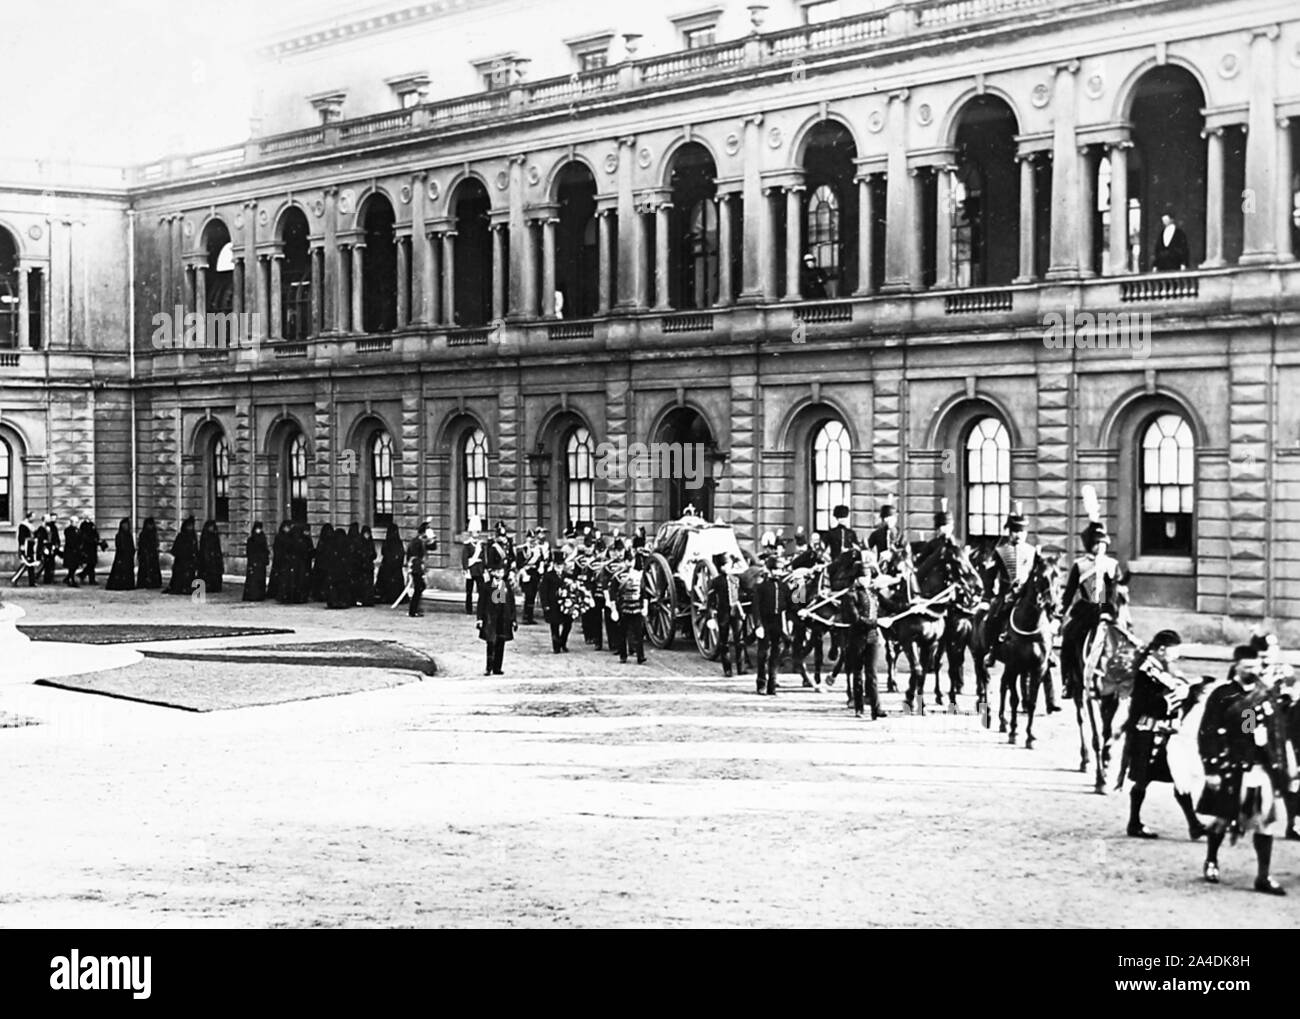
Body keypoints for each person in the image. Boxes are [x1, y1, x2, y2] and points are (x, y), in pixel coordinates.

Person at [1198, 641, 1295, 894]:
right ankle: (1211, 860)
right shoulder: (1223, 695)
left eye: (1255, 666)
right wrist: (1211, 770)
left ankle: (1263, 876)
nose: (1252, 671)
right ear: (1236, 666)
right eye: (1247, 667)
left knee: (1264, 821)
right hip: (1231, 767)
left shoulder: (1264, 693)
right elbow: (1208, 733)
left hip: (1258, 768)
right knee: (1222, 819)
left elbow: (1255, 729)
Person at [1121, 629, 1205, 840]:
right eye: (1173, 651)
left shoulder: (1166, 669)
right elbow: (1143, 703)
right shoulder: (1147, 671)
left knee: (1179, 776)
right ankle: (1135, 822)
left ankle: (1196, 824)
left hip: (1166, 731)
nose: (1176, 655)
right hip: (1150, 732)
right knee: (1147, 778)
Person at [1059, 517, 1120, 701]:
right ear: (1090, 546)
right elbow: (1069, 593)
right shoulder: (1080, 565)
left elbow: (1116, 592)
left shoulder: (1112, 565)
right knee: (1069, 637)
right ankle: (1068, 681)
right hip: (1086, 611)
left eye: (1103, 544)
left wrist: (1111, 611)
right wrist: (1059, 614)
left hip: (1108, 610)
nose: (1101, 547)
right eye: (1097, 544)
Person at [984, 506, 1040, 666]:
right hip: (1006, 595)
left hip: (1026, 595)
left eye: (1022, 531)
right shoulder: (1000, 551)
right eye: (1015, 531)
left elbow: (1038, 574)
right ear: (1010, 533)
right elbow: (990, 576)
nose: (1019, 535)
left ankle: (1047, 653)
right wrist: (990, 595)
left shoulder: (1032, 552)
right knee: (992, 618)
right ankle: (992, 651)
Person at [707, 552, 746, 678]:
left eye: (729, 564)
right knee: (724, 642)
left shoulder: (736, 579)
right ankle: (727, 669)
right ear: (721, 567)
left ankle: (741, 667)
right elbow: (711, 598)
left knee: (739, 640)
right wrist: (711, 611)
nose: (727, 567)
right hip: (723, 613)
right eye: (725, 565)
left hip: (736, 612)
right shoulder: (716, 581)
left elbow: (741, 595)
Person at [478, 563, 518, 676]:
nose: (499, 574)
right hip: (490, 619)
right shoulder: (486, 586)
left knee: (501, 643)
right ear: (493, 573)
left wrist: (513, 619)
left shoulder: (507, 586)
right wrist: (480, 618)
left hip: (503, 619)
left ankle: (497, 667)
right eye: (497, 572)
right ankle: (488, 667)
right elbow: (481, 603)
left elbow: (511, 604)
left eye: (501, 572)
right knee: (490, 642)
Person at [752, 554, 784, 695]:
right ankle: (761, 684)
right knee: (763, 654)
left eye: (780, 570)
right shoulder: (761, 587)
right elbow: (756, 607)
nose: (778, 572)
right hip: (765, 623)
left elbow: (793, 602)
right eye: (775, 570)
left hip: (778, 623)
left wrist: (800, 586)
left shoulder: (783, 587)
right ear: (769, 571)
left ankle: (772, 685)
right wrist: (758, 625)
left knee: (776, 654)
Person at [611, 548, 649, 665]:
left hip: (636, 607)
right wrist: (614, 610)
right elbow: (613, 594)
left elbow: (644, 593)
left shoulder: (639, 575)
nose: (629, 563)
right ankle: (623, 655)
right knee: (622, 633)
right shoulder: (618, 576)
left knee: (638, 633)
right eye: (628, 560)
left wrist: (645, 607)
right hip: (623, 608)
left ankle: (640, 656)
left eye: (631, 560)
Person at [405, 520, 435, 618]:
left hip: (419, 567)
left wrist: (432, 538)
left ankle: (415, 608)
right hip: (416, 567)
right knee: (419, 587)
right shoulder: (416, 542)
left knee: (420, 587)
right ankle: (413, 610)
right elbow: (414, 556)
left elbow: (433, 547)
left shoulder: (421, 541)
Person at [166, 517, 199, 595]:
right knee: (180, 576)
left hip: (190, 560)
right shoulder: (181, 536)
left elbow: (195, 548)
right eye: (189, 526)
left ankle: (187, 588)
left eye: (191, 526)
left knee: (189, 575)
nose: (190, 528)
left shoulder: (193, 536)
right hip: (181, 560)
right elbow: (176, 548)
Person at [376, 523, 405, 604]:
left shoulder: (388, 541)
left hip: (389, 567)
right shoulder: (396, 542)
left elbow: (384, 552)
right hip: (392, 567)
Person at [105, 518, 136, 591]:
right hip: (121, 556)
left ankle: (127, 584)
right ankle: (120, 584)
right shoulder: (119, 535)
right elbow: (119, 546)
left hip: (127, 556)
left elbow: (131, 545)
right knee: (120, 571)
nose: (125, 526)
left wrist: (131, 552)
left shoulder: (129, 535)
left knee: (127, 570)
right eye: (124, 525)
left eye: (126, 525)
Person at [243, 522, 269, 601]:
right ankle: (252, 595)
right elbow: (249, 551)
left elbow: (265, 550)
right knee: (253, 580)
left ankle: (260, 595)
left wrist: (265, 559)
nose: (258, 530)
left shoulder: (263, 538)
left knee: (260, 579)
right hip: (254, 562)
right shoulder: (251, 539)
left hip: (261, 562)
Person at [77, 516, 106, 585]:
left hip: (93, 547)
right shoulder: (83, 525)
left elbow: (95, 533)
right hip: (87, 547)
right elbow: (84, 536)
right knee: (91, 563)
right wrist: (93, 540)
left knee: (92, 563)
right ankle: (89, 578)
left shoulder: (92, 524)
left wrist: (97, 540)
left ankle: (84, 575)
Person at [269, 521, 292, 603]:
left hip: (287, 560)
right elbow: (277, 548)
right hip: (280, 560)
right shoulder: (279, 537)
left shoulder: (290, 536)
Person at [199, 520, 224, 594]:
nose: (211, 528)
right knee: (207, 574)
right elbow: (203, 548)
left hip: (215, 558)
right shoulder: (205, 536)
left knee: (215, 574)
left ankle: (215, 586)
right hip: (207, 558)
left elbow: (218, 548)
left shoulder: (215, 536)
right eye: (210, 527)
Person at [136, 517, 162, 590]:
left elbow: (156, 543)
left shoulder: (154, 534)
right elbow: (141, 544)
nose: (150, 526)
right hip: (145, 554)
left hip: (152, 554)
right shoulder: (143, 534)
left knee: (152, 568)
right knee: (145, 569)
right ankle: (145, 582)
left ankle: (153, 582)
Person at [355, 525, 377, 607]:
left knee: (369, 585)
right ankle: (361, 599)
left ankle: (368, 600)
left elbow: (374, 554)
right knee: (361, 585)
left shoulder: (371, 543)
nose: (367, 536)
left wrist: (370, 556)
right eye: (366, 534)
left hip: (369, 567)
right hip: (361, 567)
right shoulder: (359, 543)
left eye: (368, 534)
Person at [40, 514, 61, 585]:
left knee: (51, 563)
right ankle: (47, 579)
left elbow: (55, 537)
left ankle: (50, 578)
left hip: (51, 547)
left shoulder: (53, 527)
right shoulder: (43, 527)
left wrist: (56, 545)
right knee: (47, 564)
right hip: (46, 547)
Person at [63, 516, 83, 588]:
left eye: (77, 522)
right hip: (70, 551)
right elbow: (70, 540)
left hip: (77, 551)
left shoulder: (78, 530)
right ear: (71, 522)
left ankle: (68, 578)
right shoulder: (68, 530)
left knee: (75, 566)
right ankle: (72, 580)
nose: (77, 523)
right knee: (72, 566)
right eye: (75, 522)